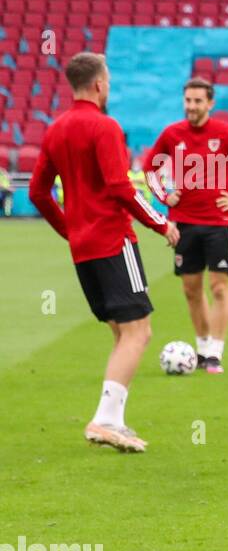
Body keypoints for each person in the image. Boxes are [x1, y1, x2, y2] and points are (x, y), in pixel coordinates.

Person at [27, 52, 180, 452]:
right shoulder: (104, 126)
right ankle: (105, 420)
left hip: (83, 248)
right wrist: (161, 223)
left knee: (121, 333)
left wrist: (70, 230)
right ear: (99, 84)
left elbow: (37, 192)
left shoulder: (55, 129)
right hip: (113, 242)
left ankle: (116, 420)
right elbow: (120, 186)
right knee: (139, 331)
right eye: (108, 80)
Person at [144, 77, 228, 374]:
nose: (192, 106)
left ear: (210, 103)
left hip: (218, 224)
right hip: (184, 223)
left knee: (219, 287)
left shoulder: (226, 134)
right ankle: (200, 349)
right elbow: (149, 168)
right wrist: (165, 196)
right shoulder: (172, 134)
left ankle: (215, 352)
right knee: (190, 288)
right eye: (188, 100)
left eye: (198, 101)